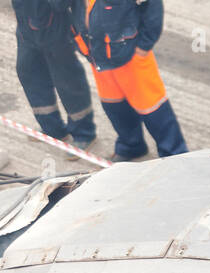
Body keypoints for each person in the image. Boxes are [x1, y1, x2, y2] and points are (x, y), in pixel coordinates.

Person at [67, 0, 187, 161]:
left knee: (152, 108)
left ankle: (174, 155)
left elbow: (152, 7)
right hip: (97, 52)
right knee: (114, 105)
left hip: (130, 54)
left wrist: (144, 46)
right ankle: (131, 146)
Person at [12, 0, 97, 148]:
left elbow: (61, 4)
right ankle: (52, 129)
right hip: (26, 25)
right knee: (28, 71)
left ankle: (84, 133)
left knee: (67, 80)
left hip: (56, 29)